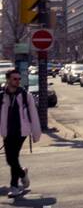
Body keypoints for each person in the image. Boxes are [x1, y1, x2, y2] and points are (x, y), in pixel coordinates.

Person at [1, 68, 41, 198]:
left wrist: (36, 133)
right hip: (7, 131)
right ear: (8, 80)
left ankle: (14, 186)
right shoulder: (2, 95)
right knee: (9, 159)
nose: (17, 81)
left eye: (19, 79)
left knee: (13, 158)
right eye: (14, 79)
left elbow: (33, 115)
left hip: (21, 131)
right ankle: (23, 174)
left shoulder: (25, 95)